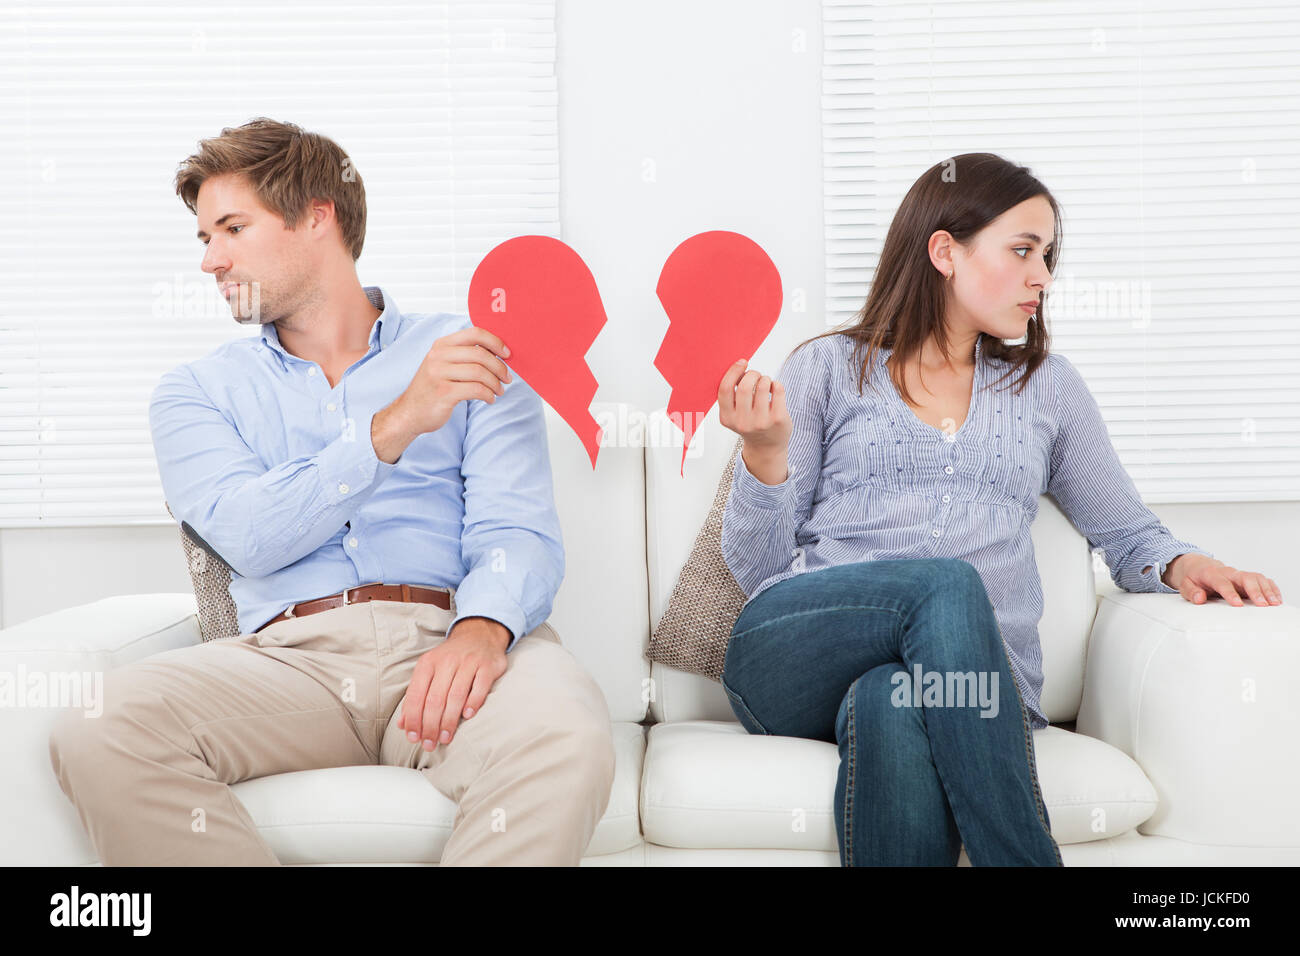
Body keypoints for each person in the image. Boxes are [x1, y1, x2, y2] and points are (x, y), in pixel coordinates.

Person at [47, 117, 615, 866]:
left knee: (566, 732)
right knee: (99, 723)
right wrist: (394, 426)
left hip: (448, 639)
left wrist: (485, 628)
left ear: (318, 217)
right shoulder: (195, 394)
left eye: (231, 229)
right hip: (288, 663)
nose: (210, 260)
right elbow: (249, 536)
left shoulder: (470, 355)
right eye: (203, 238)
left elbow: (519, 530)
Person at [715, 152, 1284, 867]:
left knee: (891, 699)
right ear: (945, 252)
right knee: (945, 582)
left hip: (970, 685)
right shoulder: (829, 367)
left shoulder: (1047, 389)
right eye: (1022, 251)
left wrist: (1183, 562)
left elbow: (1126, 530)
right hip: (792, 657)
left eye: (1047, 256)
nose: (1042, 276)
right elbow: (762, 569)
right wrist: (766, 455)